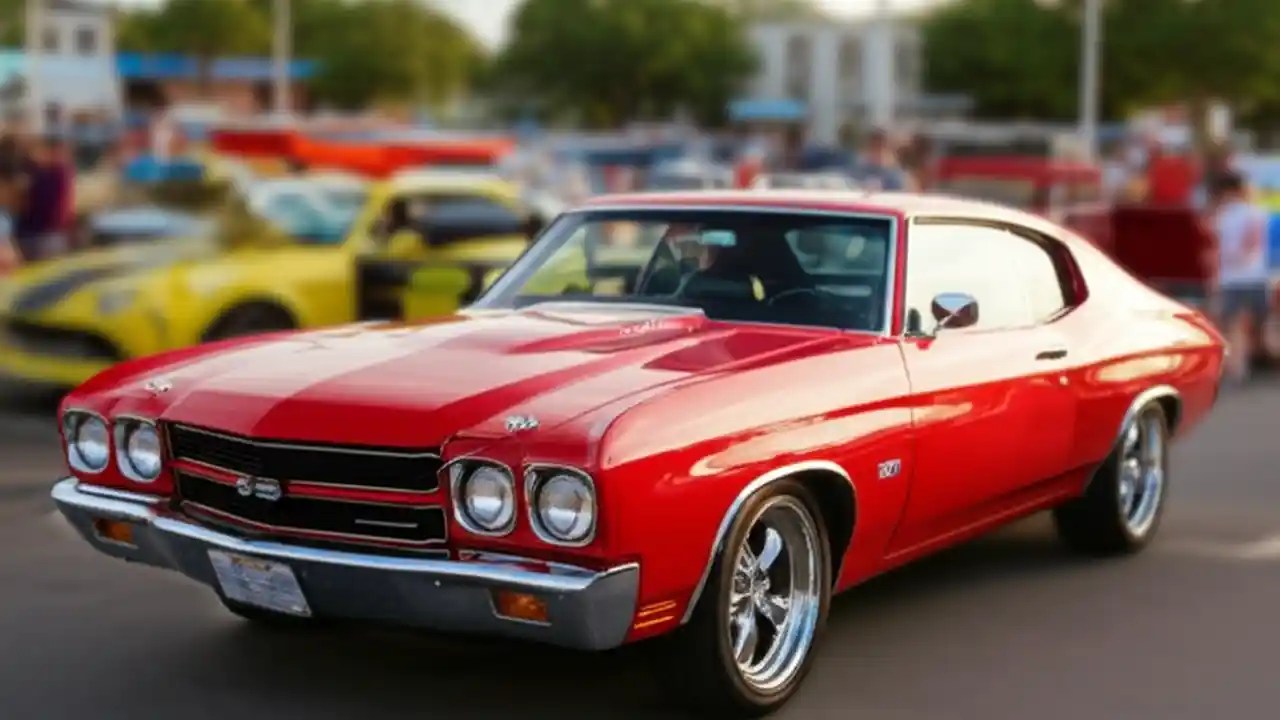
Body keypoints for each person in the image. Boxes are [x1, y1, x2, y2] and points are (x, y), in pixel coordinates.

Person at [1211, 171, 1271, 383]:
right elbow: (1256, 242)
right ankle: (1257, 362)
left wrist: (1217, 273)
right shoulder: (1257, 213)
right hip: (1256, 276)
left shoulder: (1221, 216)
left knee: (1235, 325)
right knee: (1259, 325)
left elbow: (1215, 247)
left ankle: (1239, 368)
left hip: (1231, 279)